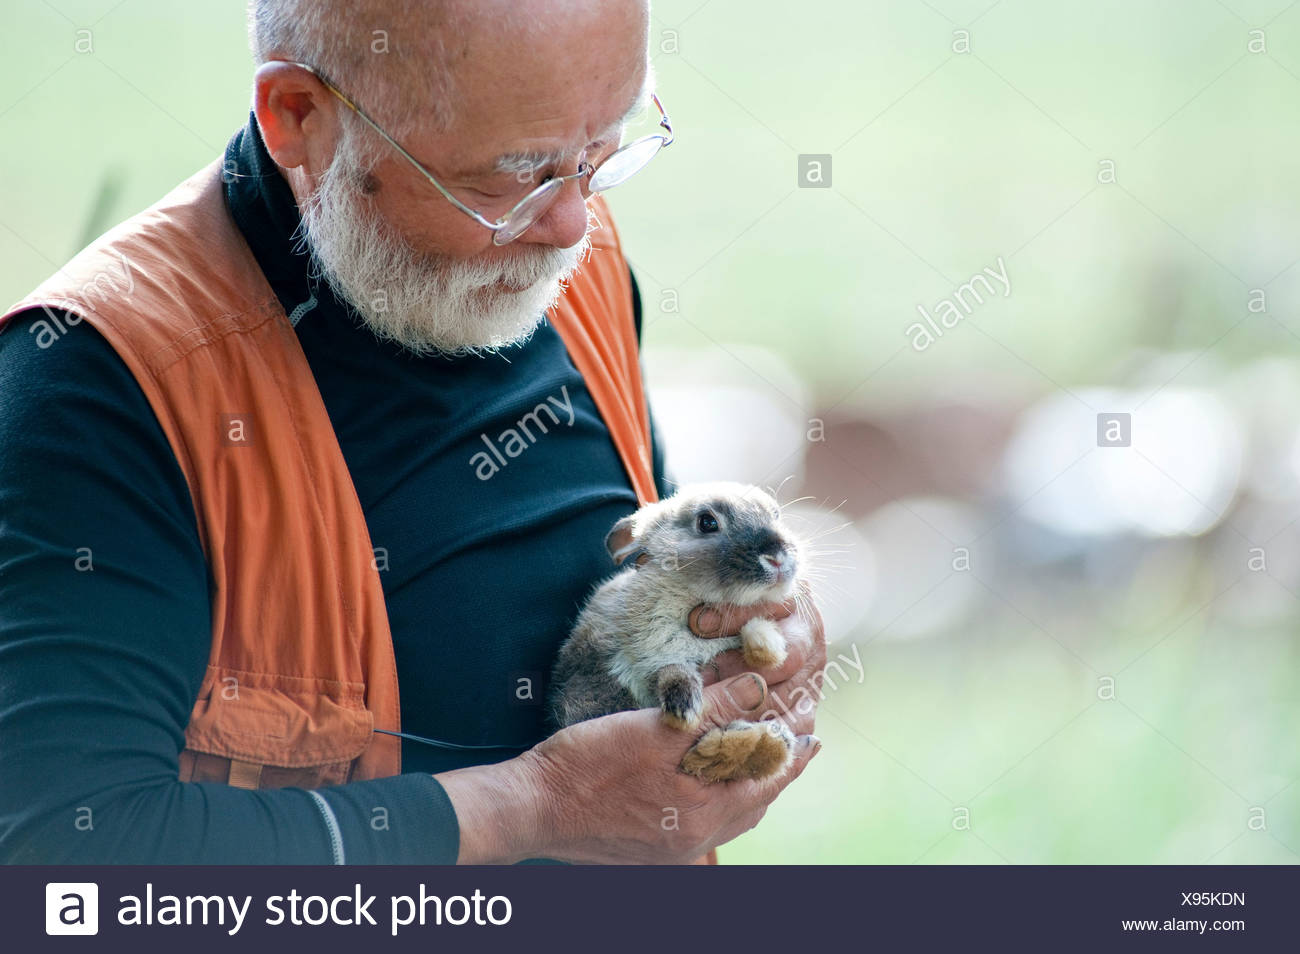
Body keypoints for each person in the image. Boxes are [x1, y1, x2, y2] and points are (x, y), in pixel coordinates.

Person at [0, 0, 825, 865]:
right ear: (298, 116)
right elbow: (66, 865)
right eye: (509, 176)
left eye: (603, 152)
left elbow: (648, 576)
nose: (573, 224)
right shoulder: (95, 383)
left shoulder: (560, 252)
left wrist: (745, 633)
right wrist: (531, 808)